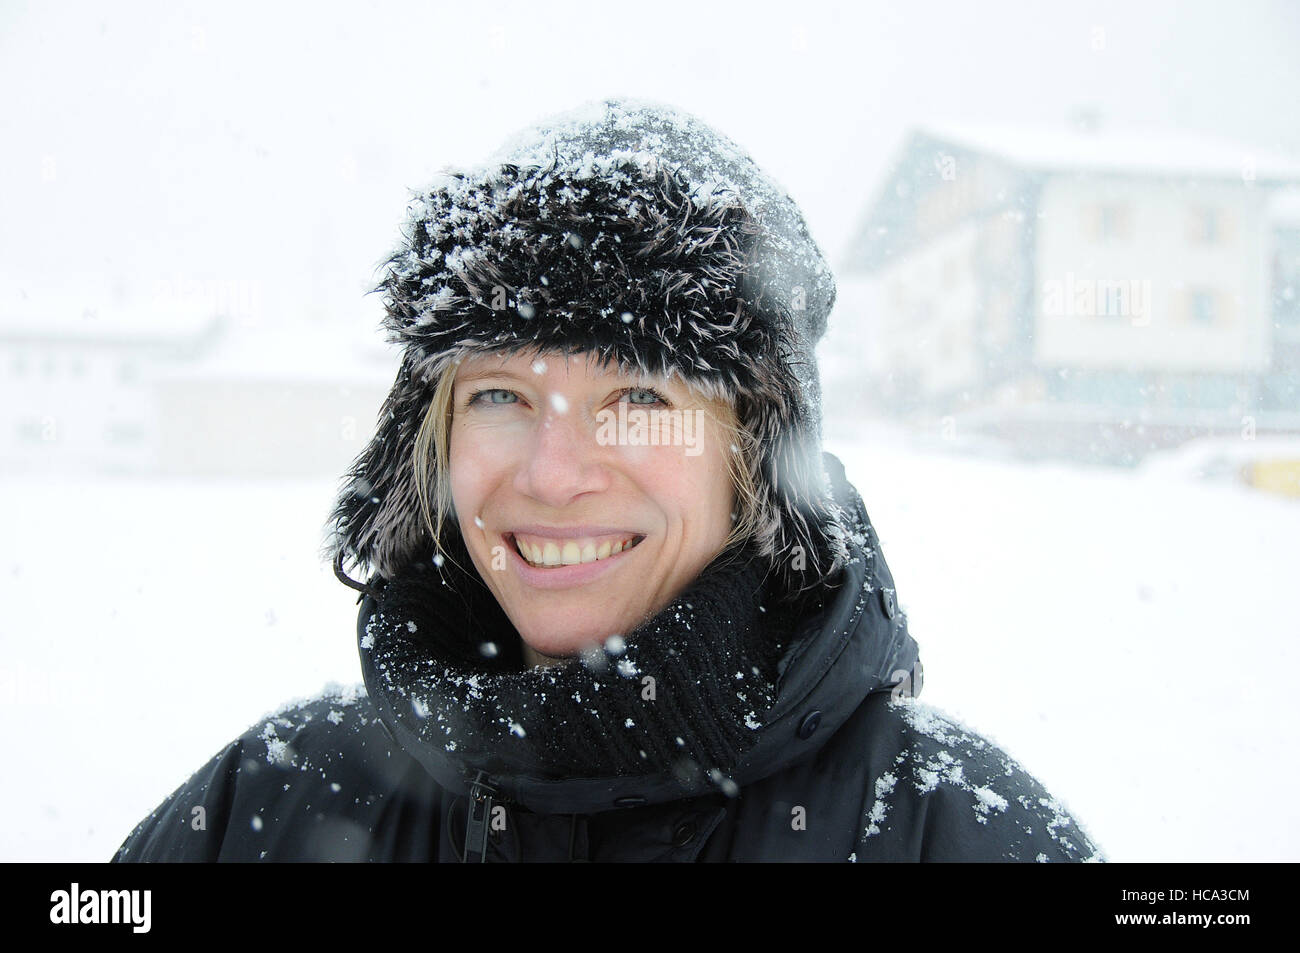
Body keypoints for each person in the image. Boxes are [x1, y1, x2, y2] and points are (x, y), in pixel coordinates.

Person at [112, 97, 1103, 863]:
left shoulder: (948, 828)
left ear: (753, 451)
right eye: (499, 393)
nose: (550, 474)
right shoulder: (282, 799)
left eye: (636, 396)